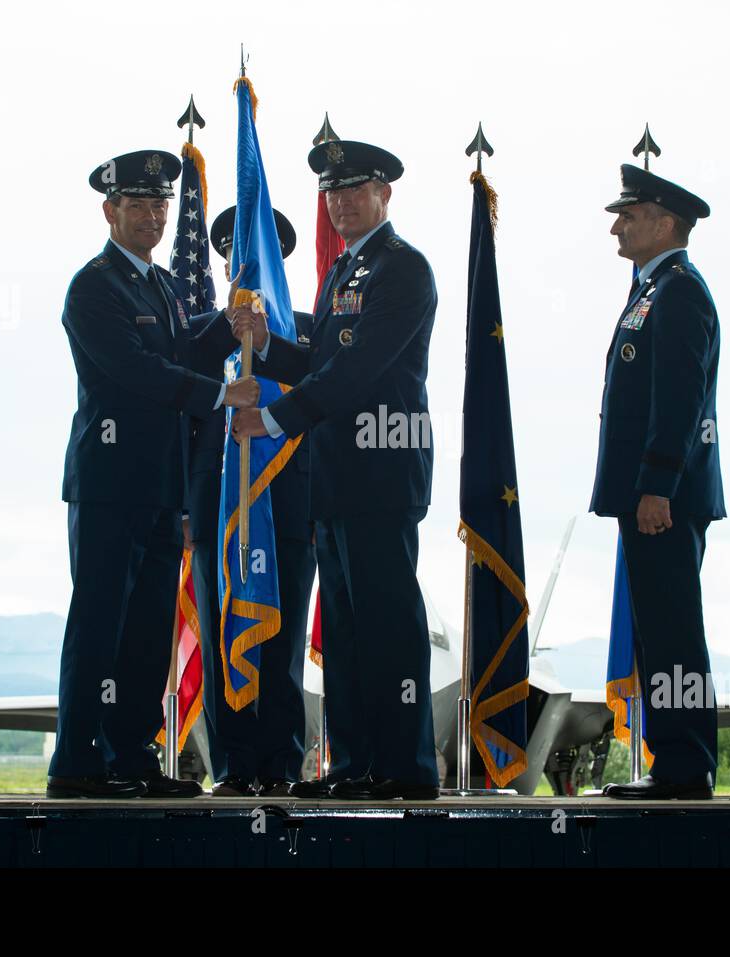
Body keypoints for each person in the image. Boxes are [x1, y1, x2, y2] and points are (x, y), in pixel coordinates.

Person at [231, 139, 439, 800]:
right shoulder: (342, 272)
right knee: (346, 631)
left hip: (382, 470)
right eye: (333, 193)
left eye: (355, 190)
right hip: (338, 477)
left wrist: (274, 418)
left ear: (385, 193)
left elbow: (358, 369)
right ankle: (354, 765)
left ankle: (404, 768)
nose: (342, 203)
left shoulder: (403, 270)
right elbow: (322, 357)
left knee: (387, 623)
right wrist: (268, 345)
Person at [49, 150, 259, 799]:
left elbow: (183, 350)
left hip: (163, 488)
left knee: (145, 633)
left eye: (160, 204)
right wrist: (221, 395)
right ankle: (78, 762)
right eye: (137, 204)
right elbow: (135, 370)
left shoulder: (162, 286)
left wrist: (230, 327)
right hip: (109, 486)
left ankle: (131, 757)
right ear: (109, 211)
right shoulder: (93, 287)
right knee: (100, 624)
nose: (152, 215)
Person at [590, 163, 726, 800]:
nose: (618, 225)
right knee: (657, 628)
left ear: (667, 223)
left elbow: (679, 400)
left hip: (664, 498)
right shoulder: (651, 290)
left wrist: (656, 486)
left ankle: (685, 764)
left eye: (631, 215)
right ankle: (672, 758)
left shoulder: (680, 293)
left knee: (673, 629)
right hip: (650, 494)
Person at [186, 206, 317, 798]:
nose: (248, 278)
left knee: (283, 642)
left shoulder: (305, 335)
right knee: (223, 638)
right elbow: (187, 429)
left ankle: (281, 766)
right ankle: (235, 765)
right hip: (218, 511)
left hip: (290, 511)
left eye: (259, 263)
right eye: (237, 262)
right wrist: (189, 509)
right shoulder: (203, 339)